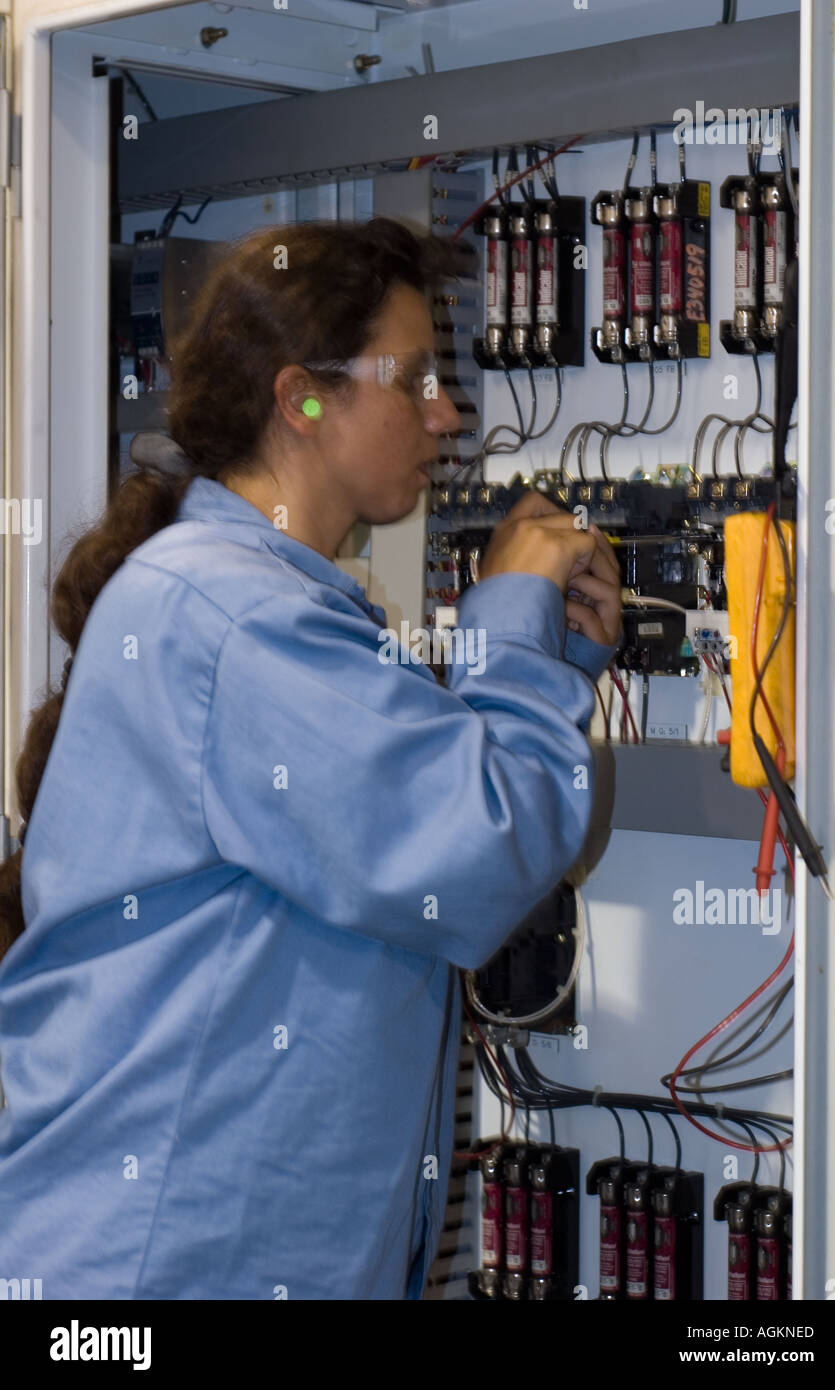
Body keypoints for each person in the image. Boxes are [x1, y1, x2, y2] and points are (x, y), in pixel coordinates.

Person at [0, 218, 621, 1300]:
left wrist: (544, 652)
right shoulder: (238, 620)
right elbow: (478, 848)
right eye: (417, 378)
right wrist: (514, 622)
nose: (446, 413)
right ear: (304, 399)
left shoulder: (252, 608)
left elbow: (417, 810)